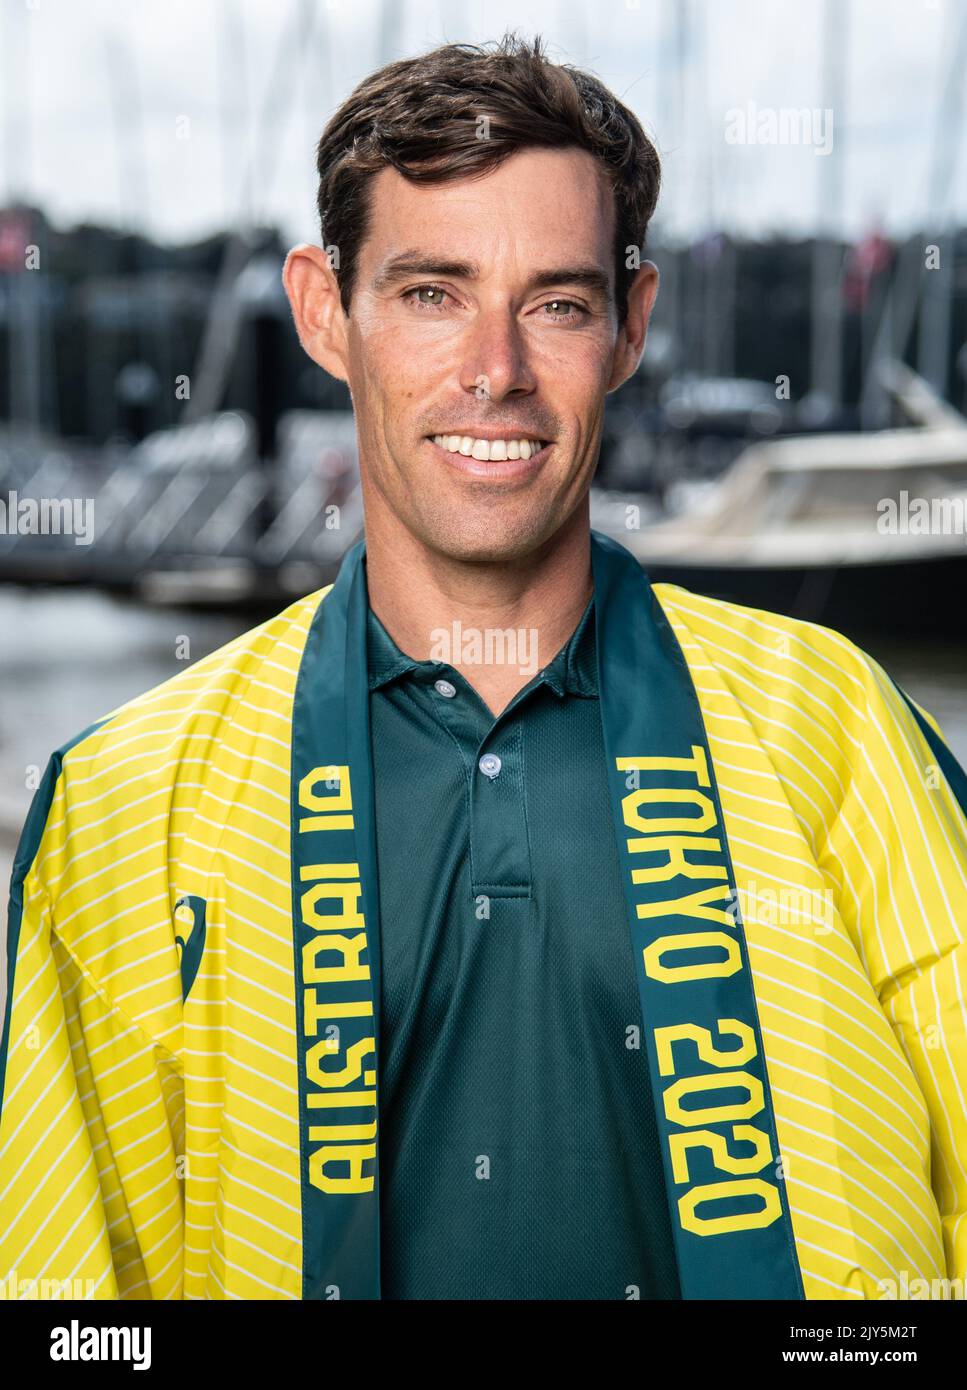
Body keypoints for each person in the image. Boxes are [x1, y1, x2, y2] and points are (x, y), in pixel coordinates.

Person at [1, 33, 966, 1303]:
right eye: (430, 292)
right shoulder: (130, 799)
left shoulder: (833, 731)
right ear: (321, 311)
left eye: (557, 302)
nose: (496, 372)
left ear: (630, 326)